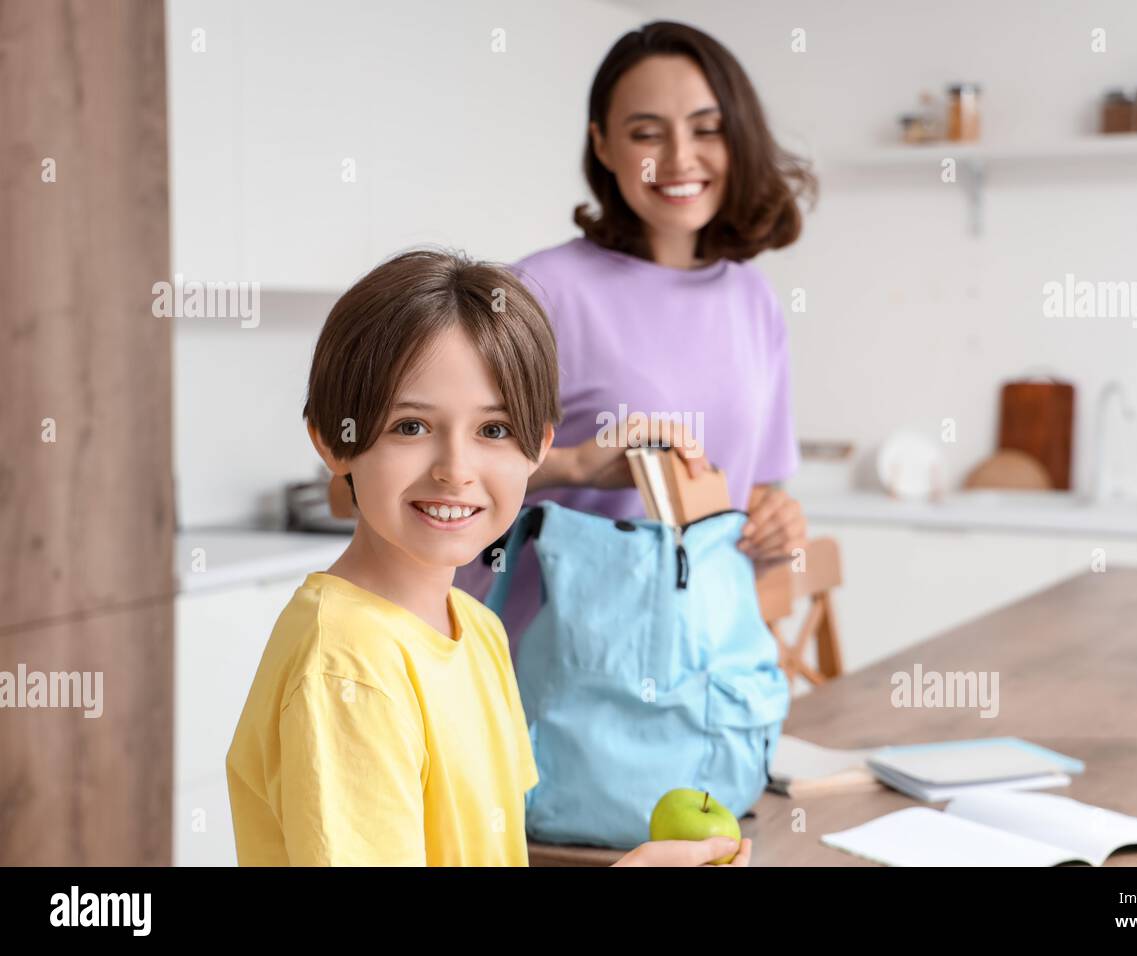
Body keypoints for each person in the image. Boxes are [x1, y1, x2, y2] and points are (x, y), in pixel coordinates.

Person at [226, 249, 750, 866]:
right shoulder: (347, 671)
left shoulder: (478, 630)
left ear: (540, 447)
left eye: (494, 430)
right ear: (332, 443)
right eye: (411, 427)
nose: (455, 471)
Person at [454, 21, 817, 652]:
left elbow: (759, 487)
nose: (678, 159)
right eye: (646, 133)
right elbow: (376, 484)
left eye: (707, 129)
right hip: (543, 677)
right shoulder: (538, 293)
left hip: (697, 670)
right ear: (602, 144)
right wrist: (573, 466)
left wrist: (778, 520)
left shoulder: (751, 297)